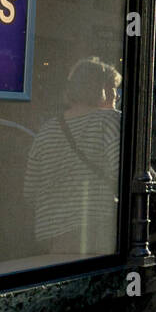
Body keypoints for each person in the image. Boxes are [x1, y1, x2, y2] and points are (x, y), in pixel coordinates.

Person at [24, 57, 122, 258]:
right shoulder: (110, 120)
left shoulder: (46, 131)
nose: (116, 95)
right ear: (103, 89)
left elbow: (29, 191)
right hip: (97, 231)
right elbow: (123, 172)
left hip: (52, 237)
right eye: (113, 88)